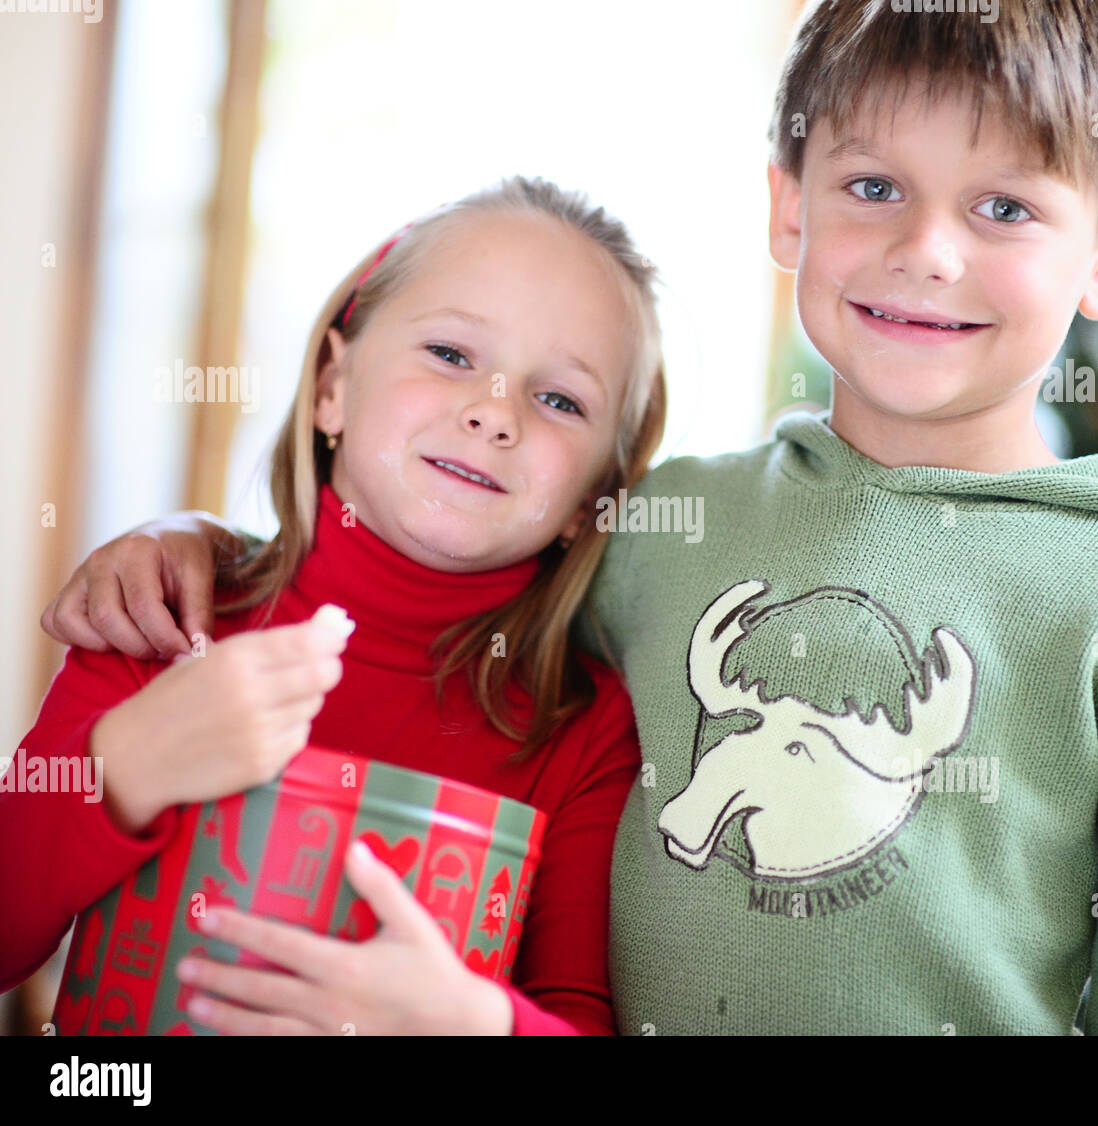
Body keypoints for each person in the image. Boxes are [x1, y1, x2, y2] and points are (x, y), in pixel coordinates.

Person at [40, 0, 1098, 1035]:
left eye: (1004, 209)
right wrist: (195, 543)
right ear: (789, 209)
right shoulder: (661, 520)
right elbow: (437, 560)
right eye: (873, 185)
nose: (925, 249)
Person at [5, 175, 667, 1036]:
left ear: (593, 498)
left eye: (559, 400)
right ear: (332, 386)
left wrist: (470, 1023)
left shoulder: (583, 725)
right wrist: (129, 764)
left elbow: (578, 1016)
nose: (493, 414)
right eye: (452, 355)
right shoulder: (166, 617)